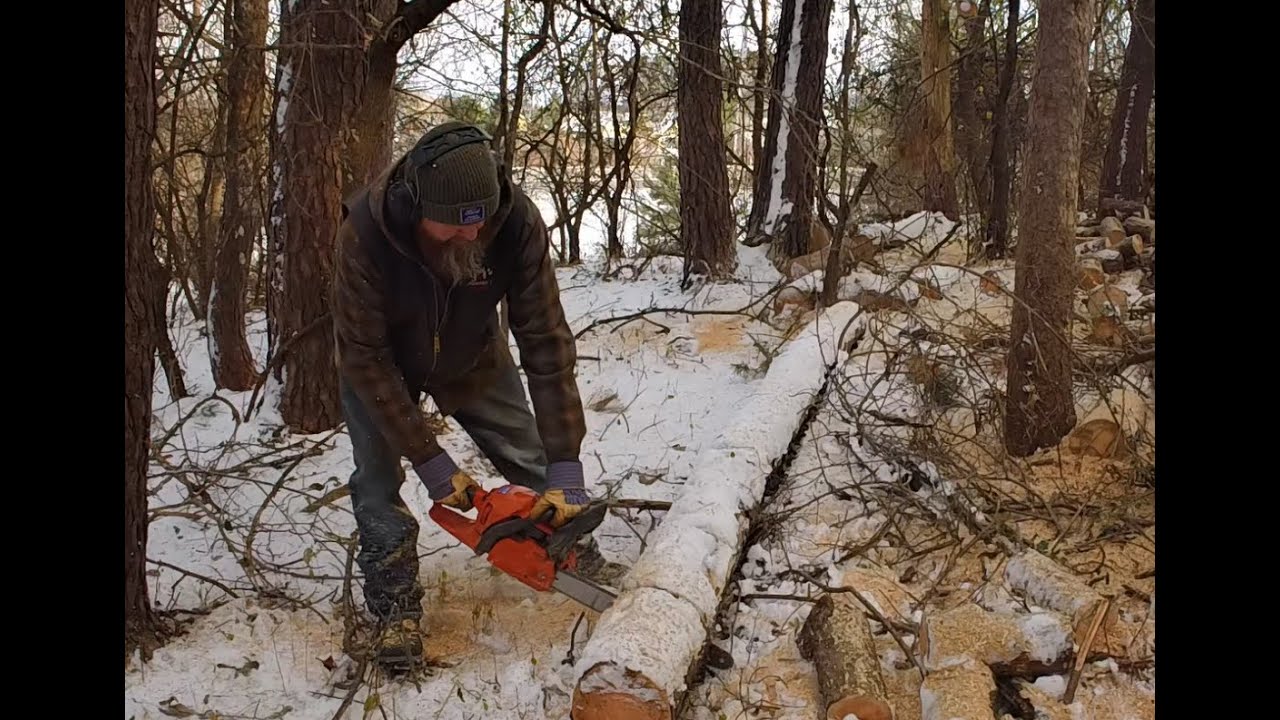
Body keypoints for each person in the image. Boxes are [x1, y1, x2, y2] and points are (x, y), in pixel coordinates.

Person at [330, 121, 615, 667]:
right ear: (416, 205)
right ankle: (394, 606)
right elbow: (363, 355)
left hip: (473, 354)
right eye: (455, 226)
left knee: (529, 455)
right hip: (381, 367)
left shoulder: (515, 224)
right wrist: (432, 462)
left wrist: (565, 467)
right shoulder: (364, 234)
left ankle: (571, 550)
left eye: (480, 220)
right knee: (376, 481)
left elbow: (545, 341)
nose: (471, 234)